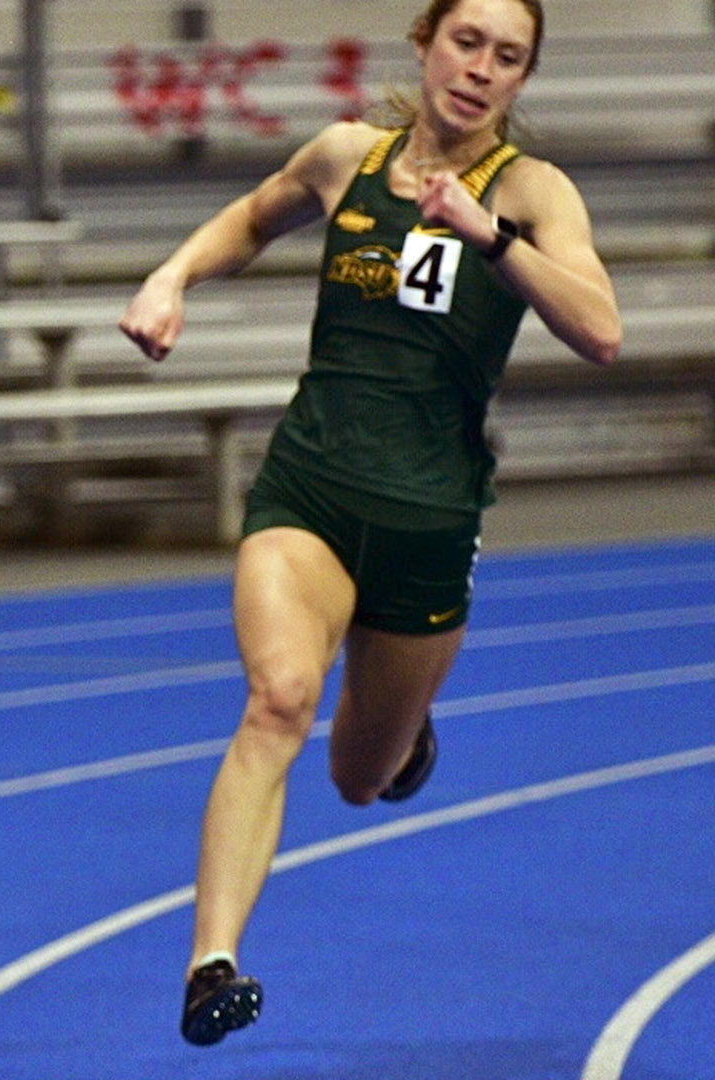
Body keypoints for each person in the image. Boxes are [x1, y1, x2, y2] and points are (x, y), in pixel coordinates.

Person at [119, 0, 620, 1048]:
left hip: (431, 520)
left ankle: (400, 742)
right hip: (310, 488)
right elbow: (254, 215)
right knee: (278, 698)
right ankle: (211, 964)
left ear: (524, 80)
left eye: (508, 57)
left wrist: (495, 241)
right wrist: (171, 278)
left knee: (357, 776)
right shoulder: (348, 154)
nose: (480, 70)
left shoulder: (530, 191)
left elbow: (601, 330)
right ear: (427, 42)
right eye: (466, 42)